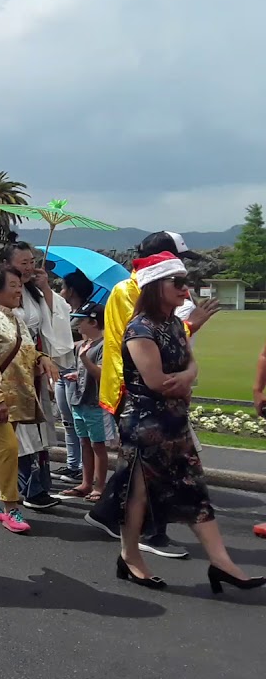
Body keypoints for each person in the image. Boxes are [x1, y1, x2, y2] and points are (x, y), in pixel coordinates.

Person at [114, 252, 263, 594]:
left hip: (174, 422)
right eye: (178, 283)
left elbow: (191, 366)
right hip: (145, 426)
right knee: (137, 494)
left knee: (195, 490)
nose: (185, 290)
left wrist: (185, 377)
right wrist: (184, 379)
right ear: (156, 286)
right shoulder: (139, 329)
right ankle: (130, 556)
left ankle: (222, 562)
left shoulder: (171, 325)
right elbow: (156, 381)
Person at [88, 230, 221, 559]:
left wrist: (186, 373)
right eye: (176, 271)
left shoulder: (165, 295)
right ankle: (147, 534)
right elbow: (138, 340)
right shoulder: (128, 291)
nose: (182, 282)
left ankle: (113, 518)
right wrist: (192, 326)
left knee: (139, 467)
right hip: (134, 391)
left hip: (164, 389)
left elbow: (176, 342)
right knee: (151, 467)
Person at [0, 242, 72, 512]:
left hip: (28, 376)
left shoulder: (30, 297)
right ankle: (11, 502)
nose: (29, 268)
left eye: (32, 262)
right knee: (9, 445)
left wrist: (46, 290)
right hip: (5, 380)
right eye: (23, 263)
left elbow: (46, 330)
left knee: (20, 438)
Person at [0, 266, 56, 535]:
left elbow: (27, 350)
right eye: (13, 285)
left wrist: (42, 358)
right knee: (9, 448)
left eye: (20, 285)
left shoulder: (15, 318)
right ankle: (10, 506)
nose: (20, 290)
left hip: (17, 398)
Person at [58, 303, 109, 502]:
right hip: (79, 401)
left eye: (82, 320)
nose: (78, 324)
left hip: (95, 403)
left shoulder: (104, 346)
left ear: (94, 322)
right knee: (84, 442)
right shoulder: (84, 345)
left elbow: (101, 373)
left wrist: (85, 359)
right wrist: (77, 374)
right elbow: (85, 372)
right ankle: (86, 483)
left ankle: (99, 486)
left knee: (97, 445)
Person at [53, 270, 95, 485]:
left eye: (63, 287)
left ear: (72, 290)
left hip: (76, 370)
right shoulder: (65, 310)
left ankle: (82, 468)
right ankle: (72, 465)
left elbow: (91, 340)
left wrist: (68, 345)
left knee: (79, 422)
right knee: (68, 422)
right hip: (61, 369)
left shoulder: (88, 313)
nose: (61, 291)